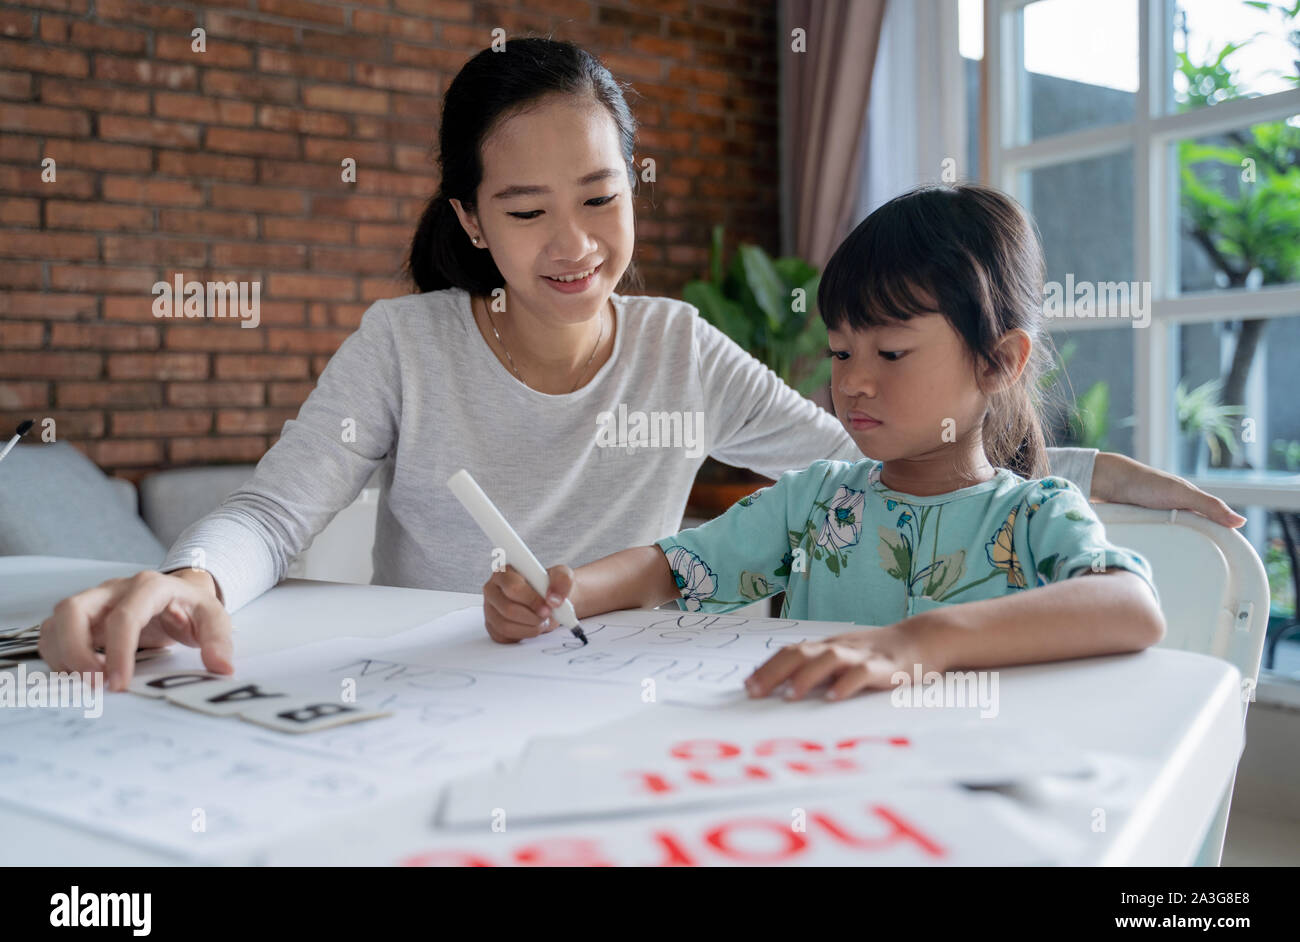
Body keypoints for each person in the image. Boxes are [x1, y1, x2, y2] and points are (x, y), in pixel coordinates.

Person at [38, 39, 1238, 693]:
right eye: (524, 208)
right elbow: (272, 510)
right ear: (470, 220)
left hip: (615, 693)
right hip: (427, 683)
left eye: (601, 196)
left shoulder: (673, 346)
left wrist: (1092, 466)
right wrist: (193, 574)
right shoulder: (405, 344)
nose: (573, 245)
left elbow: (889, 449)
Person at [482, 184, 1166, 703]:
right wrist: (562, 591)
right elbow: (669, 567)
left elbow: (1132, 608)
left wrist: (921, 642)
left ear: (998, 362)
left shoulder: (1036, 513)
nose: (854, 383)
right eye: (840, 352)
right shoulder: (815, 502)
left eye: (892, 354)